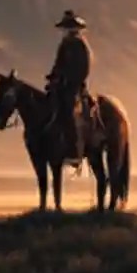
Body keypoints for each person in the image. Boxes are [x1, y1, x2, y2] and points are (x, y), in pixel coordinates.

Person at [45, 9, 92, 160]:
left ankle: (73, 148)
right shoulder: (64, 45)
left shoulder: (81, 45)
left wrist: (71, 80)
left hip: (74, 85)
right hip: (62, 84)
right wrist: (53, 77)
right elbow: (58, 64)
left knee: (70, 109)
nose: (68, 31)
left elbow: (84, 68)